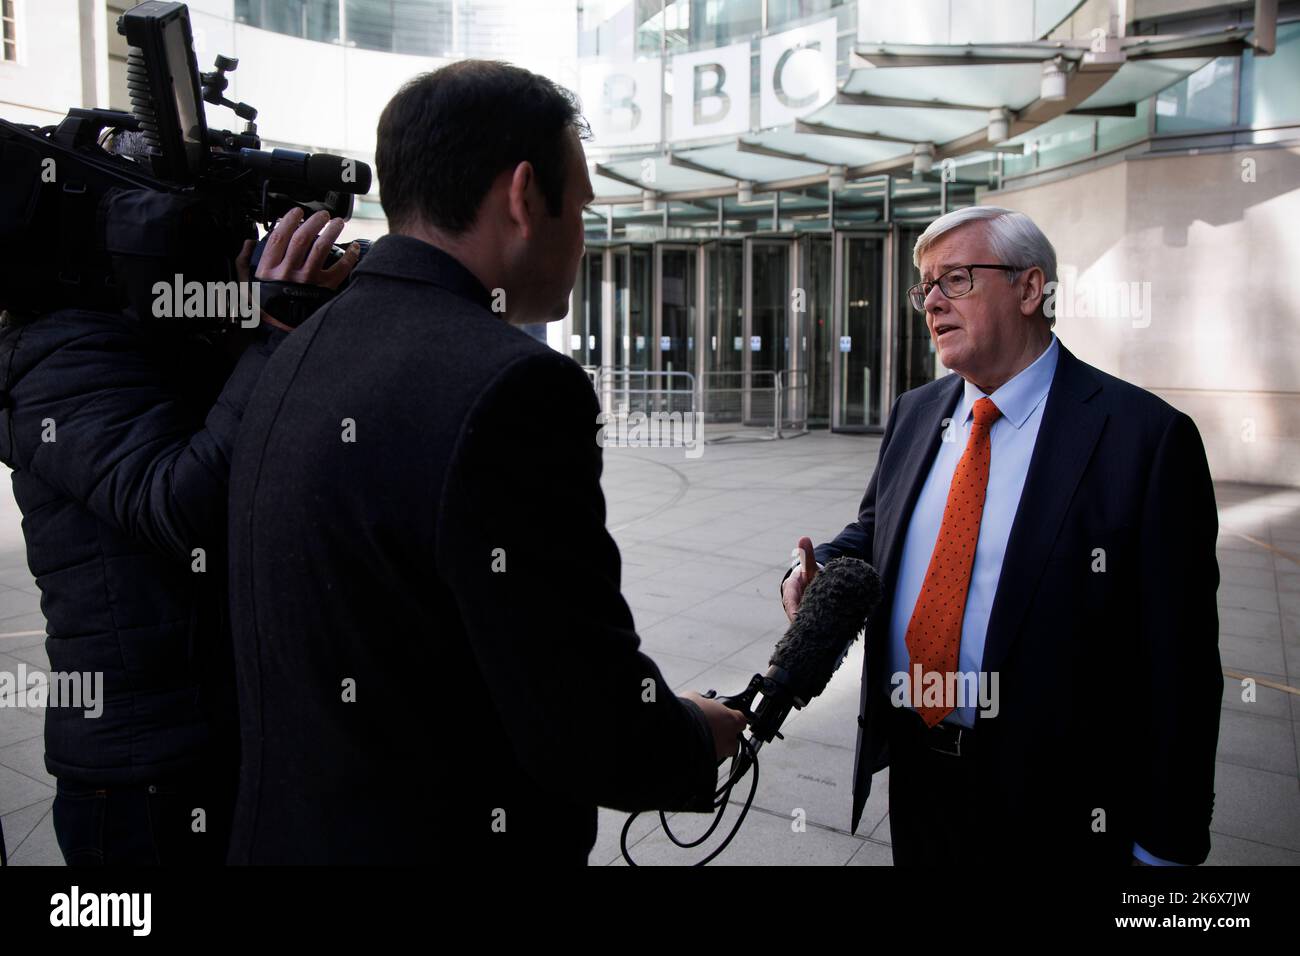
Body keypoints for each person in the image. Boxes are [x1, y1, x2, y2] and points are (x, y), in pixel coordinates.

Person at [225, 60, 746, 865]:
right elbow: (577, 716)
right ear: (523, 196)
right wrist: (687, 735)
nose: (583, 234)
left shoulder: (295, 343)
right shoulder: (513, 385)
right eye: (581, 206)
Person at [781, 206, 1222, 866]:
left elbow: (1181, 667)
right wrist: (817, 572)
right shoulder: (916, 412)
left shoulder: (1147, 440)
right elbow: (879, 530)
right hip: (919, 778)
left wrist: (1166, 849)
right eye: (924, 286)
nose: (931, 302)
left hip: (1062, 807)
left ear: (1028, 288)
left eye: (955, 279)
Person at [0, 208, 356, 864]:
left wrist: (256, 323)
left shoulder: (143, 339)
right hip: (143, 780)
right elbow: (179, 507)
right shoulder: (62, 354)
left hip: (206, 742)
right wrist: (276, 327)